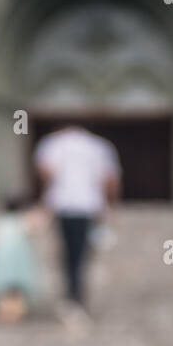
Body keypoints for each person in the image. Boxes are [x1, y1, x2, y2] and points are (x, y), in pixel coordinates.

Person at [34, 122, 121, 321]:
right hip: (89, 206)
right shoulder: (99, 146)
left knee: (68, 253)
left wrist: (45, 202)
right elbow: (111, 178)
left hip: (64, 205)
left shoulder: (52, 144)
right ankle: (77, 298)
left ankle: (72, 297)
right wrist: (111, 207)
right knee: (82, 253)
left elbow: (46, 171)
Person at [0, 196, 41, 323]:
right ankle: (17, 312)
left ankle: (5, 313)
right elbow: (34, 230)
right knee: (17, 291)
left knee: (5, 292)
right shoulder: (21, 221)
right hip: (19, 263)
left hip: (2, 263)